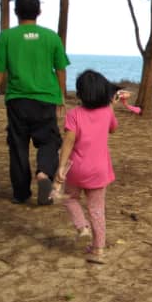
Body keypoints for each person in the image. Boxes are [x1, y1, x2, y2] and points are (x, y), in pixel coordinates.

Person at [0, 0, 69, 205]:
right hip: (45, 98)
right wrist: (61, 96)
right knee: (49, 140)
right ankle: (44, 173)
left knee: (18, 144)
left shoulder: (5, 37)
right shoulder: (51, 37)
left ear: (16, 12)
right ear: (39, 12)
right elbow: (60, 70)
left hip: (17, 100)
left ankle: (20, 193)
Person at [53, 70, 121, 264]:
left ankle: (81, 226)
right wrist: (111, 107)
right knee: (97, 209)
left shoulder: (74, 115)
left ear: (80, 93)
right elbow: (113, 129)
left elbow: (68, 142)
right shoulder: (107, 112)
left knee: (70, 199)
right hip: (99, 170)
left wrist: (61, 167)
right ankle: (98, 249)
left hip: (76, 169)